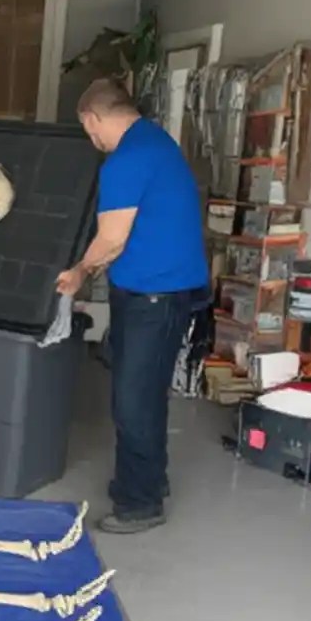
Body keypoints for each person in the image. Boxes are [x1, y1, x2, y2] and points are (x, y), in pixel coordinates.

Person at [56, 78, 210, 534]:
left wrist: (80, 272)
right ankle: (148, 480)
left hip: (154, 296)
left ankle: (139, 503)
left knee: (133, 400)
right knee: (145, 392)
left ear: (93, 117)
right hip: (164, 291)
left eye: (88, 131)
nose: (92, 140)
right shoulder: (156, 140)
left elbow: (112, 238)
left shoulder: (126, 159)